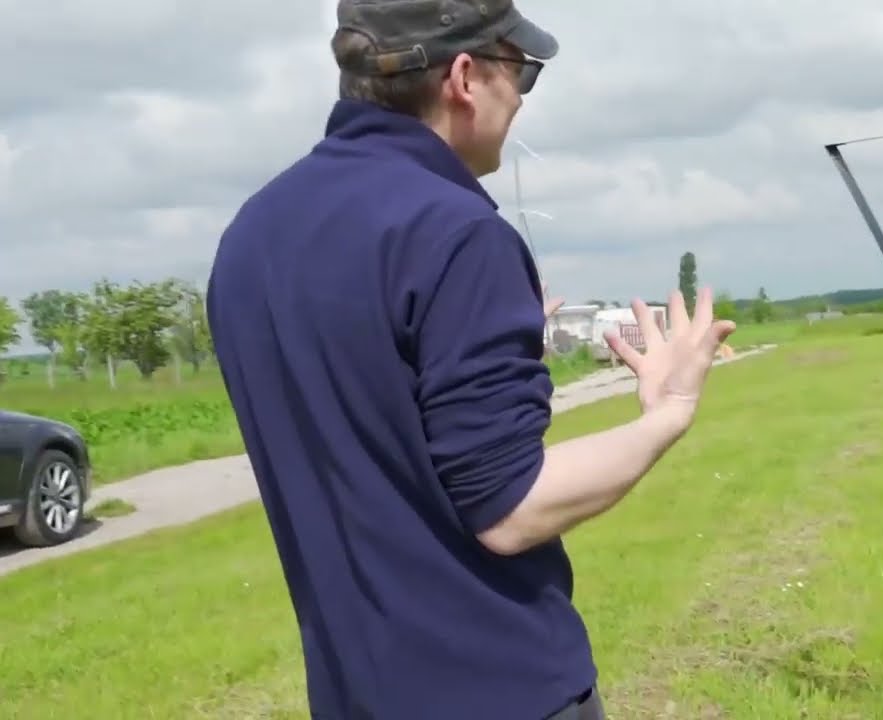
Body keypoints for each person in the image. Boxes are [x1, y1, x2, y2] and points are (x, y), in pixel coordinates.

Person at [204, 1, 736, 718]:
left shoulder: (251, 235)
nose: (520, 99)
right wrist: (666, 413)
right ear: (463, 77)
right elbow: (509, 508)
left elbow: (368, 422)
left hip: (352, 695)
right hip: (501, 689)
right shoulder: (454, 232)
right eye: (521, 73)